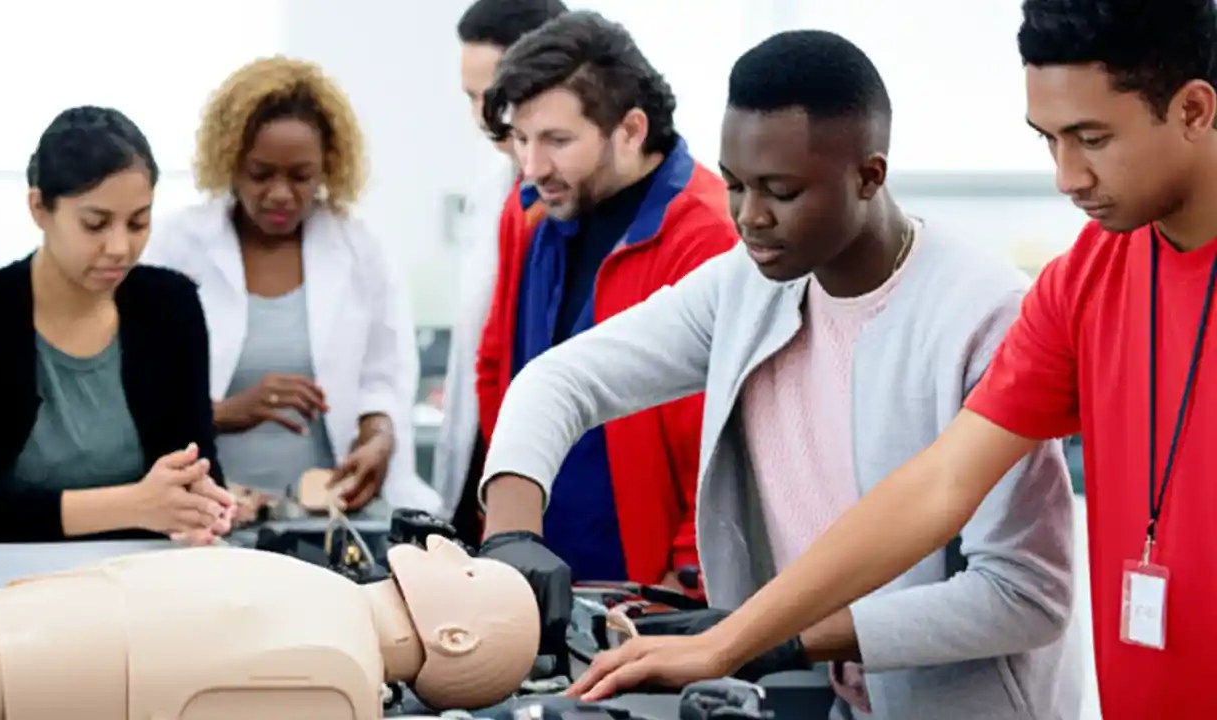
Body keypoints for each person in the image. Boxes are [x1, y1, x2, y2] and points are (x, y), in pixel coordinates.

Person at [561, 2, 1217, 718]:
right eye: (1049, 139)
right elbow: (938, 485)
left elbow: (1020, 586)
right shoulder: (1085, 279)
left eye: (1092, 139)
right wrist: (734, 640)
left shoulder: (996, 295)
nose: (1066, 176)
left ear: (1192, 110)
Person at [480, 30, 1084, 718]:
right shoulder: (746, 285)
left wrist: (768, 638)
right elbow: (560, 381)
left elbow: (1023, 596)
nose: (748, 217)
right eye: (735, 185)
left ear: (869, 175)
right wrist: (512, 536)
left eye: (781, 191)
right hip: (825, 697)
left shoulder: (984, 314)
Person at [476, 10, 738, 590]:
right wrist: (503, 532)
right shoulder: (531, 211)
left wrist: (687, 576)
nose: (532, 166)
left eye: (557, 141)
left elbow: (727, 436)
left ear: (631, 129)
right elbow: (499, 374)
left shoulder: (708, 234)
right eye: (521, 139)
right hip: (531, 567)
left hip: (649, 589)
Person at [143, 56, 441, 521]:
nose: (281, 194)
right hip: (208, 512)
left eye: (301, 176)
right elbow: (140, 392)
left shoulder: (361, 249)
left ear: (328, 167)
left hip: (324, 518)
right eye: (261, 174)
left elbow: (384, 379)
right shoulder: (175, 247)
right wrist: (224, 411)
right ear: (230, 162)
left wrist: (379, 437)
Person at [0, 106, 234, 544]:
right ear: (40, 208)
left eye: (138, 223)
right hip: (4, 582)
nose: (120, 247)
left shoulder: (171, 307)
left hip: (142, 577)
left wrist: (202, 506)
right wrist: (134, 505)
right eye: (95, 224)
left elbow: (194, 464)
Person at [0, 536, 540, 718]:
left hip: (46, 664)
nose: (447, 550)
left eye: (466, 575)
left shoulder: (341, 680)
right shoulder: (331, 606)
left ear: (455, 638)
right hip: (51, 622)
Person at [436, 0, 570, 545]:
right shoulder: (491, 191)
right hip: (484, 454)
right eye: (470, 98)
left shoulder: (566, 202)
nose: (481, 117)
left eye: (494, 96)